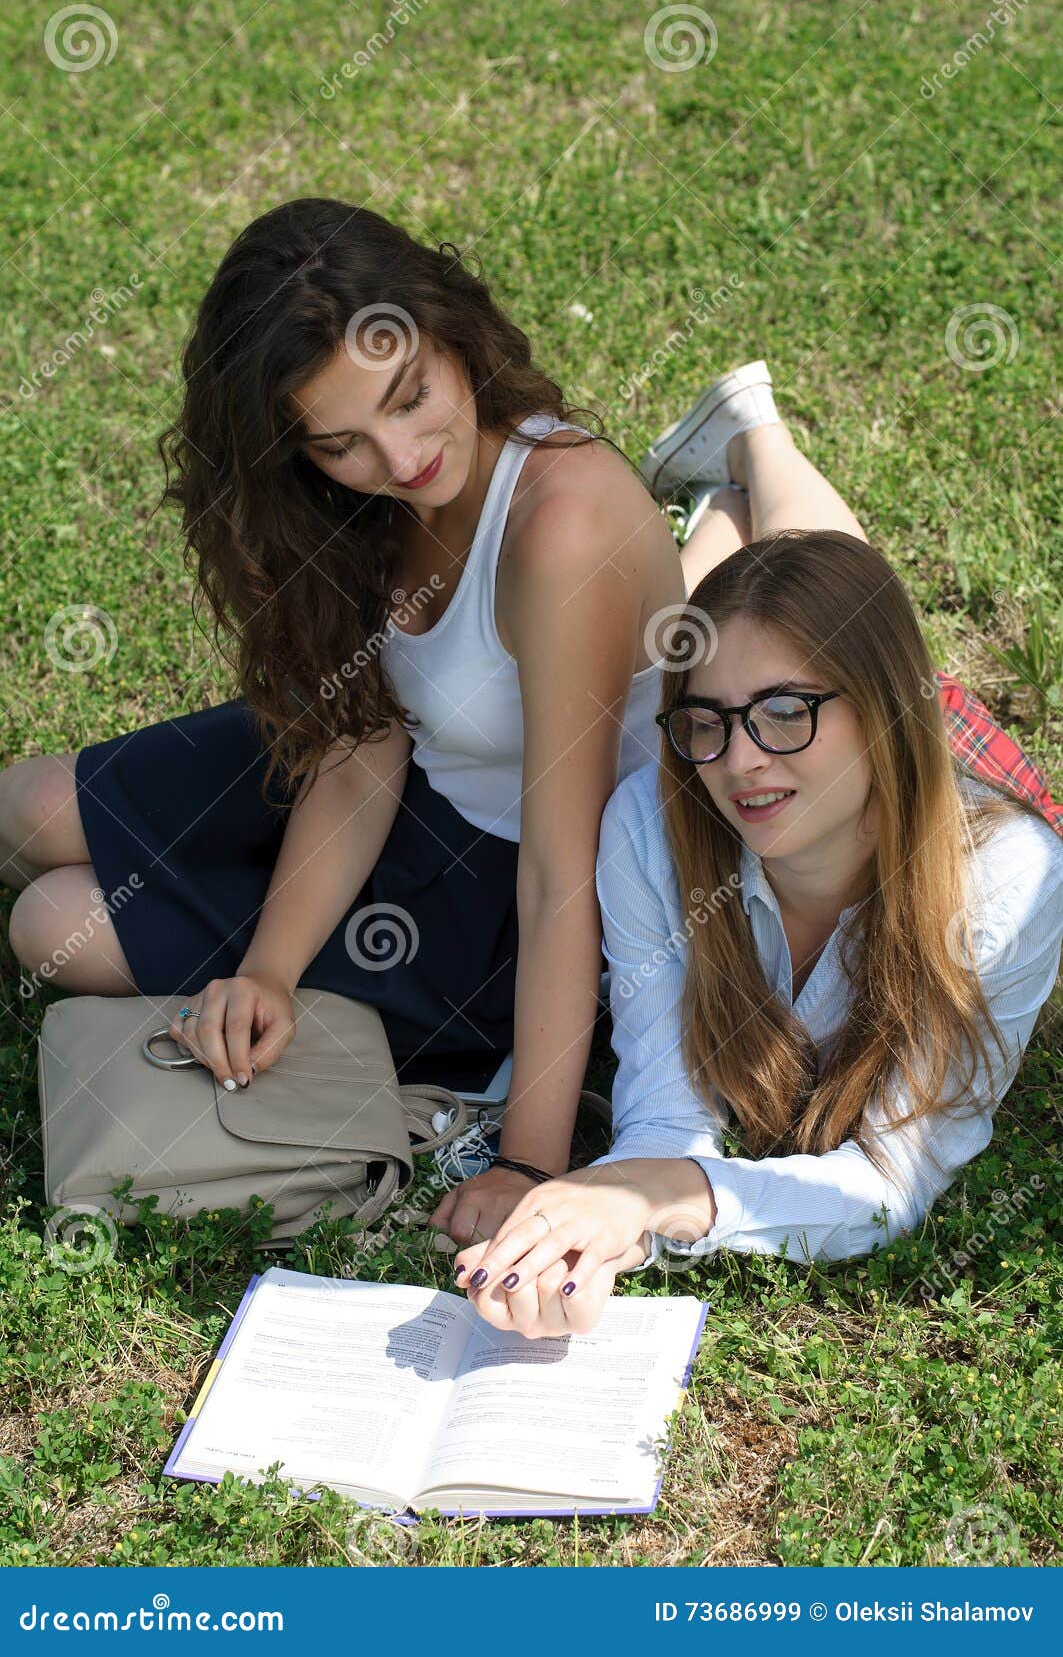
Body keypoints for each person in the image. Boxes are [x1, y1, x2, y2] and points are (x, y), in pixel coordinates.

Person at [0, 198, 1052, 1246]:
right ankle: (727, 501)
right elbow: (360, 748)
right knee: (26, 810)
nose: (400, 455)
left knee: (55, 926)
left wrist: (529, 1160)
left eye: (411, 398)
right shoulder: (359, 504)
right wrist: (270, 965)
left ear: (451, 333)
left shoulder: (558, 522)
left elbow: (560, 871)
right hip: (422, 751)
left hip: (498, 865)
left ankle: (745, 471)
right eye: (340, 442)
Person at [449, 523, 1063, 1338]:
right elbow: (666, 1116)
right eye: (705, 720)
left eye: (784, 712)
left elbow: (890, 1180)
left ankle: (754, 440)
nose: (739, 762)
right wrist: (610, 1225)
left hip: (971, 776)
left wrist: (665, 1195)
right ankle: (730, 508)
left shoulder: (1009, 880)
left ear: (878, 707)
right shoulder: (650, 825)